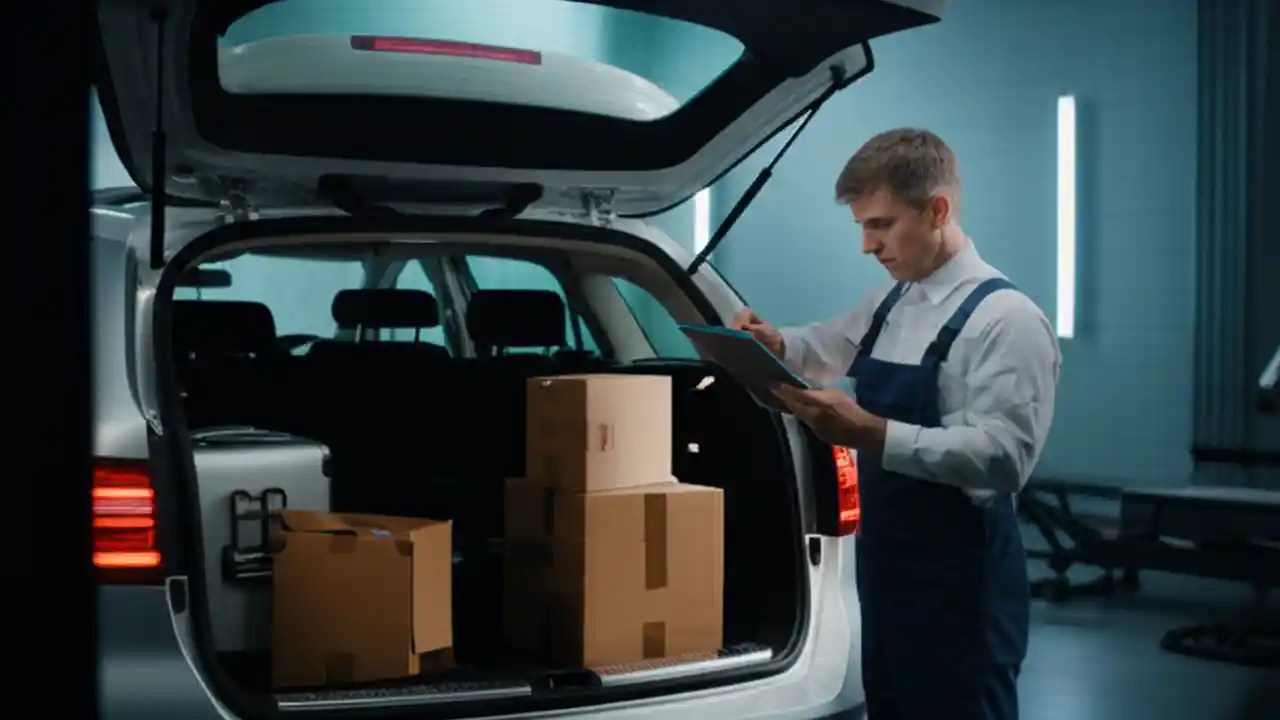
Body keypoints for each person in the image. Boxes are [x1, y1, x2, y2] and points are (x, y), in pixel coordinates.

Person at [732, 128, 1060, 720]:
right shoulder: (894, 300)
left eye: (880, 225)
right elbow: (828, 344)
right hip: (888, 566)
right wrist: (776, 342)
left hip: (961, 582)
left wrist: (872, 433)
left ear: (937, 210)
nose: (867, 245)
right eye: (862, 226)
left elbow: (1005, 459)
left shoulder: (1006, 320)